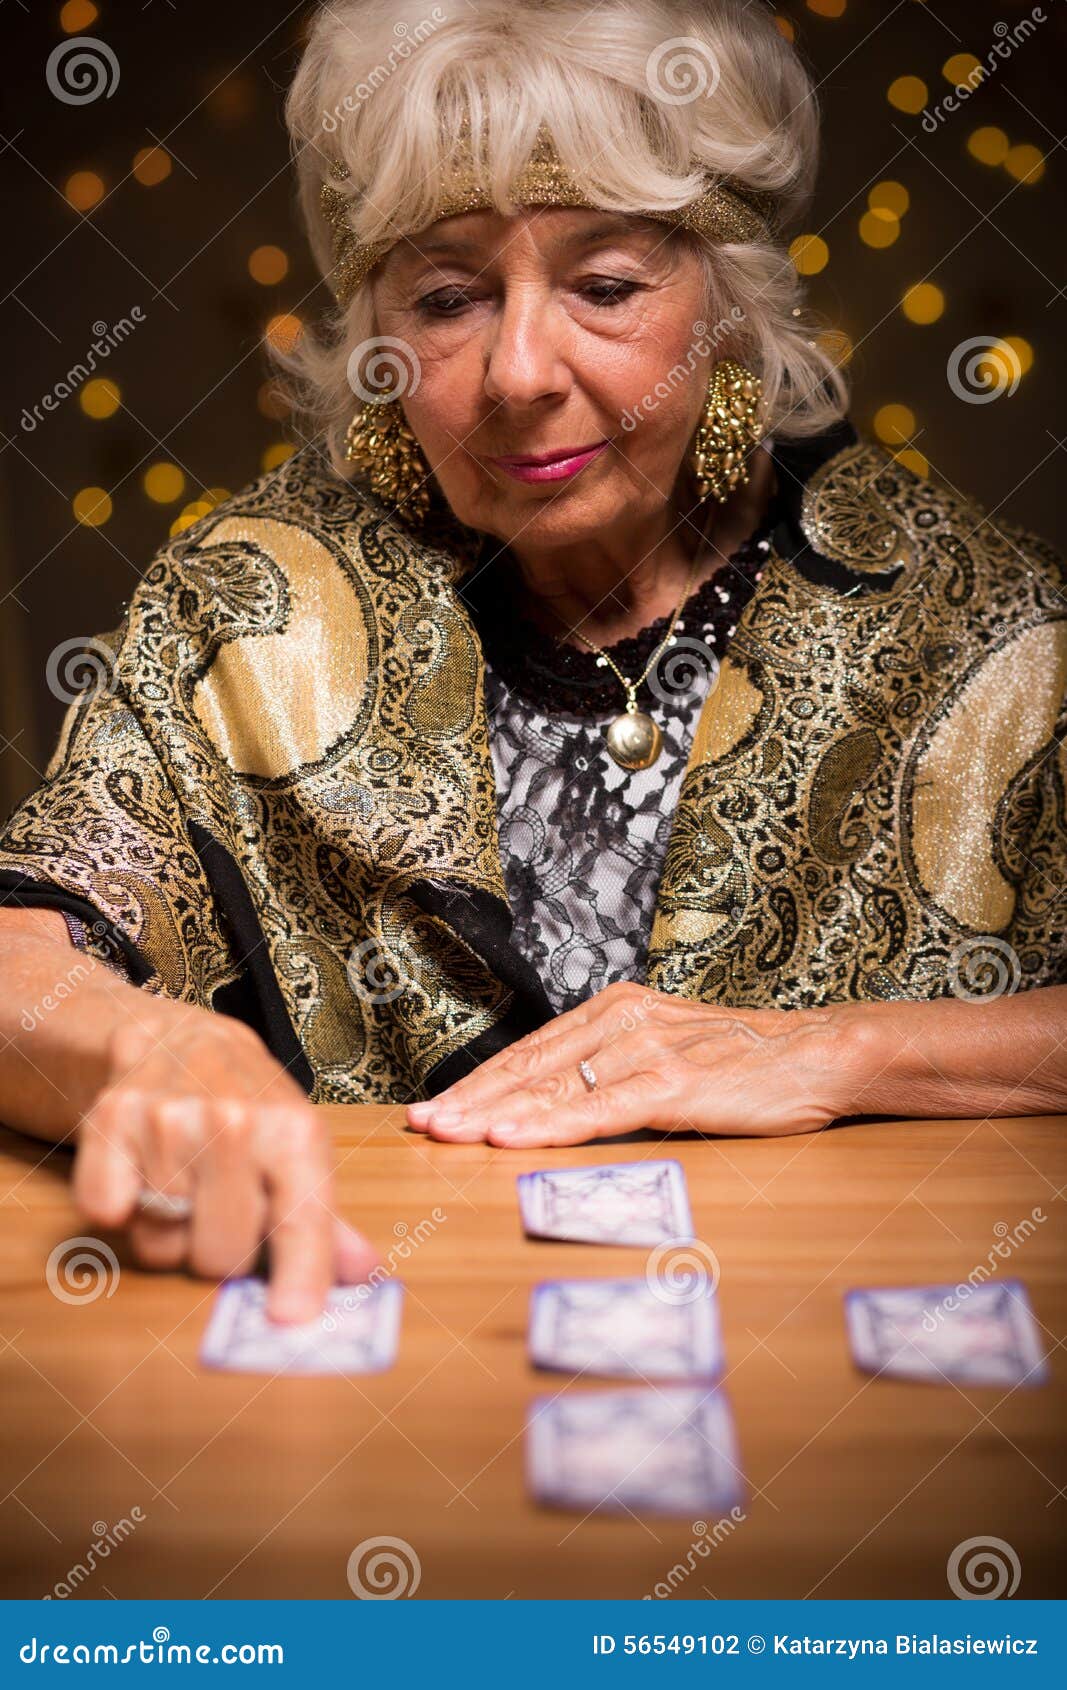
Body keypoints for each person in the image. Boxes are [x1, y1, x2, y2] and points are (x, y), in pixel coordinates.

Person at [2, 0, 1064, 1319]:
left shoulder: (975, 617)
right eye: (447, 299)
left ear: (729, 303)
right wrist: (143, 1045)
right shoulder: (246, 600)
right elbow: (19, 953)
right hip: (366, 1384)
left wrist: (840, 1052)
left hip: (812, 1391)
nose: (516, 370)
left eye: (607, 286)